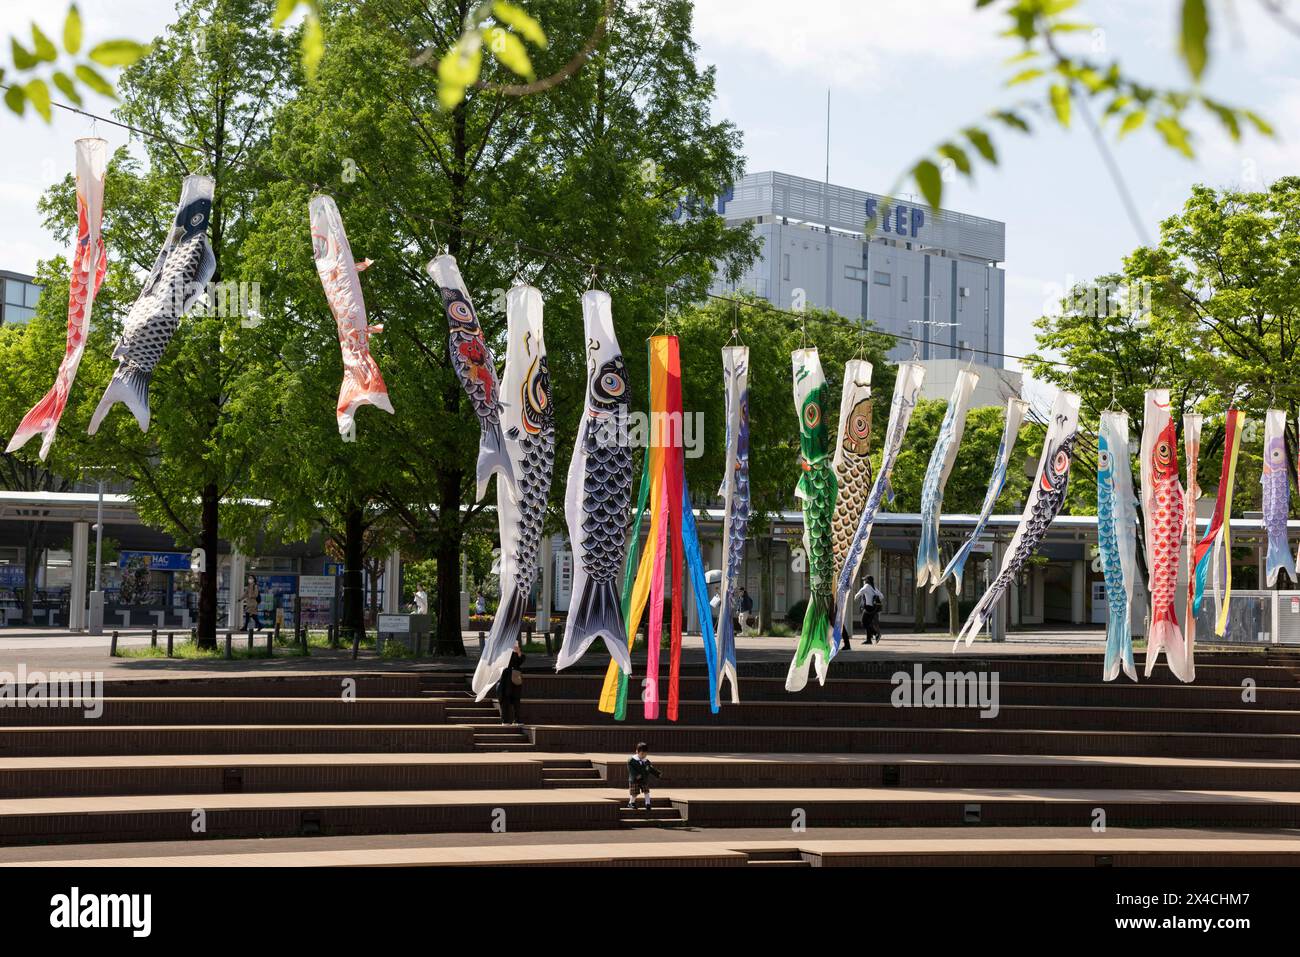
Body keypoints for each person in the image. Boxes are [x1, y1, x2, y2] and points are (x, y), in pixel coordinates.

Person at [497, 639, 525, 725]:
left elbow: (520, 661)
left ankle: (516, 719)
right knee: (506, 699)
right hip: (506, 680)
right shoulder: (502, 652)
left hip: (514, 679)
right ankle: (506, 720)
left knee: (516, 700)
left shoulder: (516, 654)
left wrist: (518, 652)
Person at [626, 742, 661, 810]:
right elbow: (631, 770)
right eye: (642, 754)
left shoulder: (646, 761)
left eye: (645, 754)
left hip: (644, 779)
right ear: (637, 752)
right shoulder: (631, 761)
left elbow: (650, 769)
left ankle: (648, 803)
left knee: (646, 791)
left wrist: (657, 773)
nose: (643, 756)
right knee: (635, 793)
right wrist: (636, 775)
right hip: (635, 780)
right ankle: (631, 803)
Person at [855, 575, 884, 644]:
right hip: (874, 608)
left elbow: (860, 592)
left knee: (863, 623)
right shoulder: (873, 587)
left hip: (868, 608)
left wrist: (855, 597)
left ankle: (876, 633)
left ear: (867, 581)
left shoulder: (867, 586)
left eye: (865, 580)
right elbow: (882, 596)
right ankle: (869, 640)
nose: (864, 581)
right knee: (868, 623)